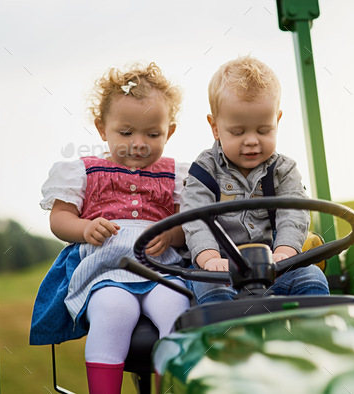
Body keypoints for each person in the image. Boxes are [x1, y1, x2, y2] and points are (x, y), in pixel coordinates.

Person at [29, 62, 189, 394]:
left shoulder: (177, 175)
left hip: (162, 270)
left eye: (153, 134)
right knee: (113, 311)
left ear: (169, 132)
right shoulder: (84, 172)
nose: (139, 144)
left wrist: (171, 234)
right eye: (126, 133)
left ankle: (174, 387)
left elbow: (186, 226)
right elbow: (59, 218)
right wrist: (84, 228)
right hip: (106, 270)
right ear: (103, 129)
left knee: (177, 308)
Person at [181, 55, 329, 304]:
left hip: (274, 267)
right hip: (221, 270)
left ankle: (312, 337)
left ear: (277, 120)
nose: (251, 140)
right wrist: (209, 258)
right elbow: (196, 217)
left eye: (263, 130)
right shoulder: (204, 171)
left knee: (311, 277)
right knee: (210, 289)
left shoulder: (284, 170)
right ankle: (227, 341)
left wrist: (285, 252)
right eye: (238, 132)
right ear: (215, 127)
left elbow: (293, 212)